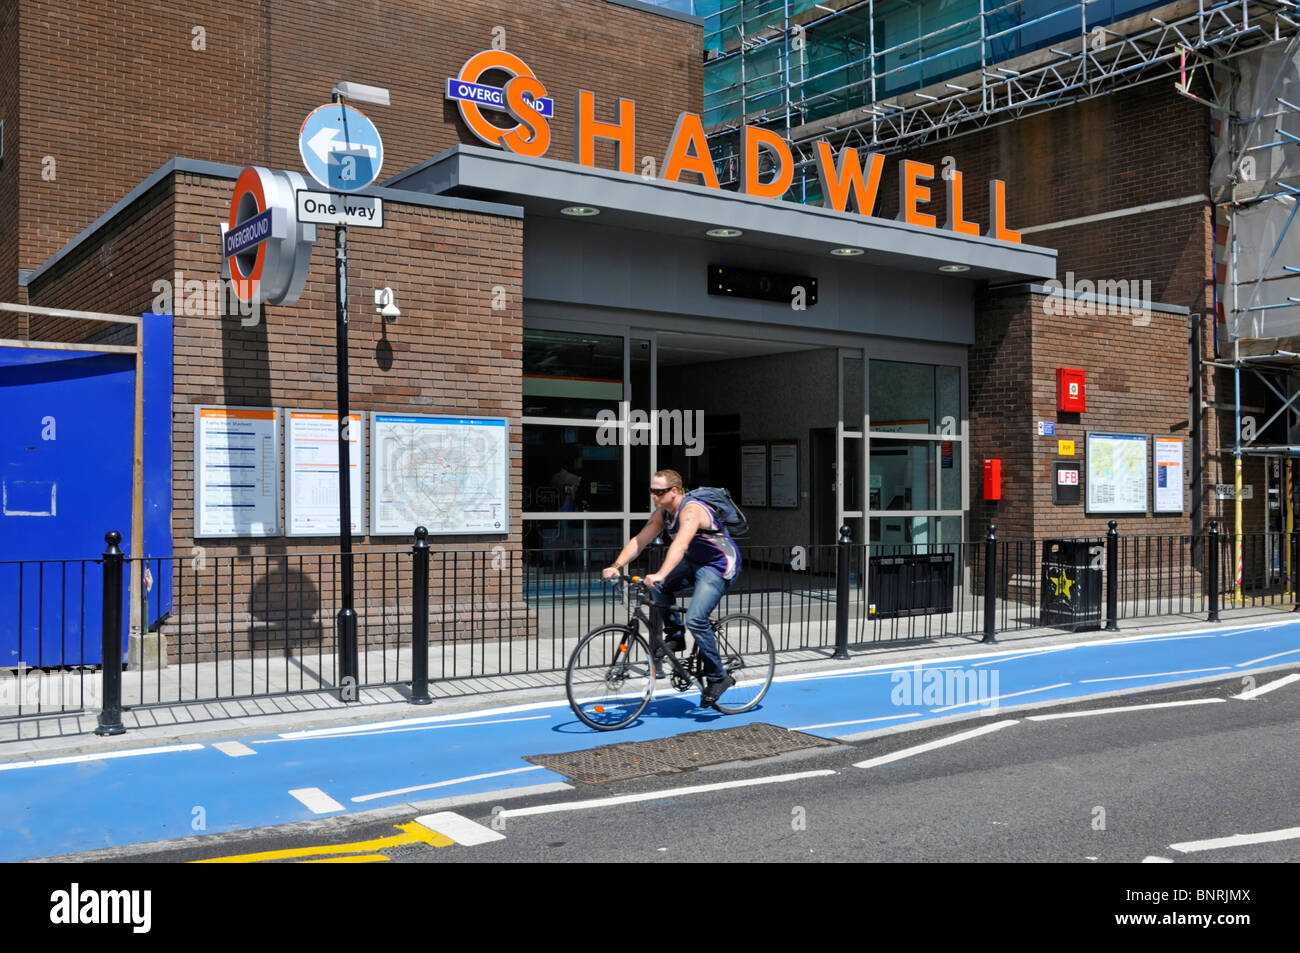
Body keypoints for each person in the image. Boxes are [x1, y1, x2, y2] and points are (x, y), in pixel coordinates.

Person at [602, 469, 742, 707]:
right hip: (694, 562)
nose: (654, 496)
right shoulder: (663, 514)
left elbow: (680, 545)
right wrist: (617, 565)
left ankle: (719, 677)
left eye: (659, 492)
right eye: (652, 491)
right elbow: (640, 540)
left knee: (697, 619)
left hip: (718, 565)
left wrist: (660, 574)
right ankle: (676, 636)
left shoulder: (691, 511)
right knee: (661, 589)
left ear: (674, 491)